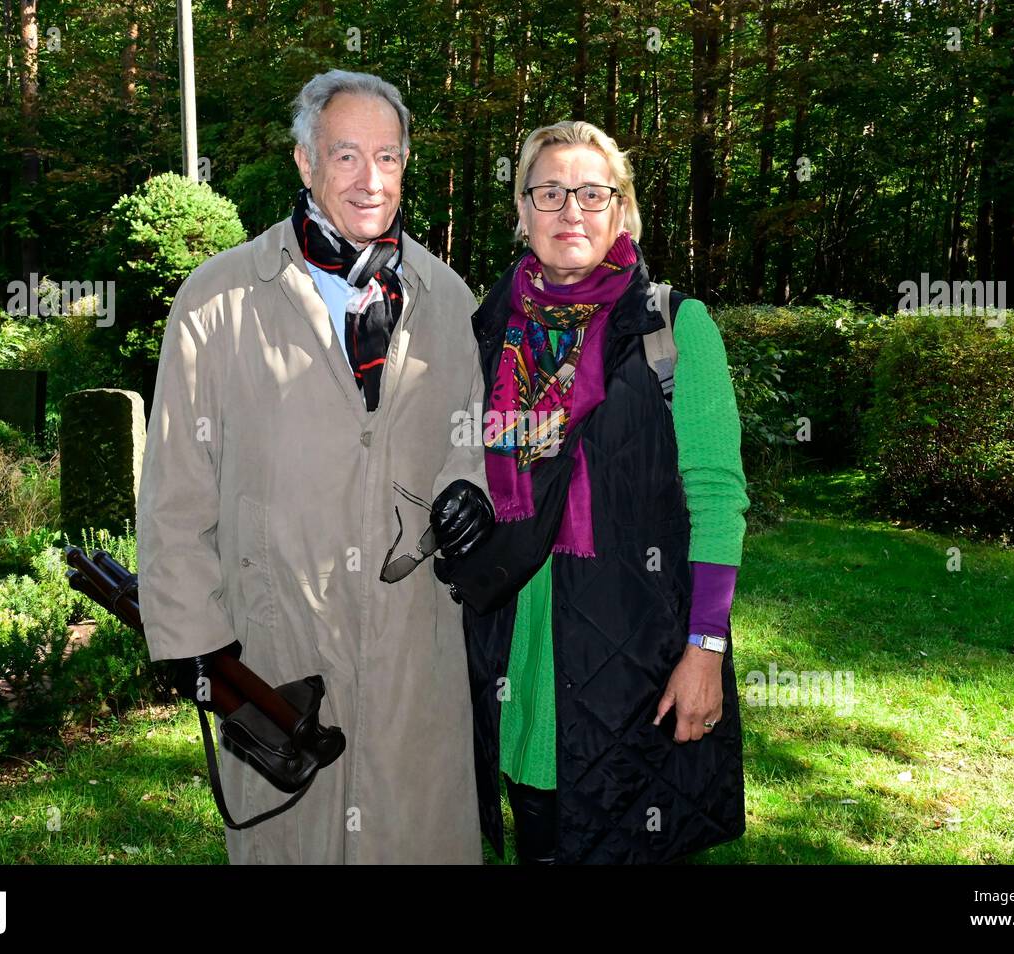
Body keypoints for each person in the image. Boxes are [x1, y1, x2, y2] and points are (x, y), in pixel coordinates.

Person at [135, 69, 494, 864]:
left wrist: (465, 484)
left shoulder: (447, 298)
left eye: (389, 157)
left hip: (414, 652)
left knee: (415, 836)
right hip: (276, 652)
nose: (371, 179)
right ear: (304, 162)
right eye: (346, 156)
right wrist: (196, 639)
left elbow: (471, 433)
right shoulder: (220, 298)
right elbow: (174, 488)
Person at [446, 120, 750, 864]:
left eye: (591, 192)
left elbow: (717, 500)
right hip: (517, 643)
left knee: (628, 835)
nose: (570, 211)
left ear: (623, 210)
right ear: (522, 212)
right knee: (541, 834)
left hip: (636, 650)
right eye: (549, 193)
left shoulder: (675, 328)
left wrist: (704, 651)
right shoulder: (484, 330)